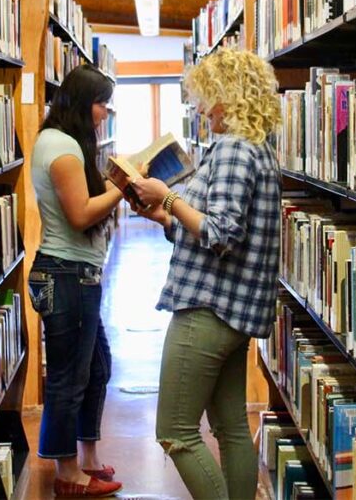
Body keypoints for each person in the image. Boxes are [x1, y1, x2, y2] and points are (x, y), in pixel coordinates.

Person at [131, 49, 283, 500]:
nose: (199, 108)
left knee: (175, 431)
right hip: (232, 308)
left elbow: (221, 233)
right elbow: (216, 227)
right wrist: (166, 218)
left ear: (230, 96)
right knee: (231, 424)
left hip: (209, 310)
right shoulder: (256, 149)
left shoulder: (235, 149)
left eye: (206, 97)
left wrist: (170, 198)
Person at [29, 64, 125, 497]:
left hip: (77, 274)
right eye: (103, 104)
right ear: (85, 103)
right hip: (67, 275)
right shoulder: (63, 148)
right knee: (69, 375)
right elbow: (81, 213)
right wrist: (122, 188)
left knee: (98, 368)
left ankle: (86, 457)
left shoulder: (63, 141)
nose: (106, 113)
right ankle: (67, 471)